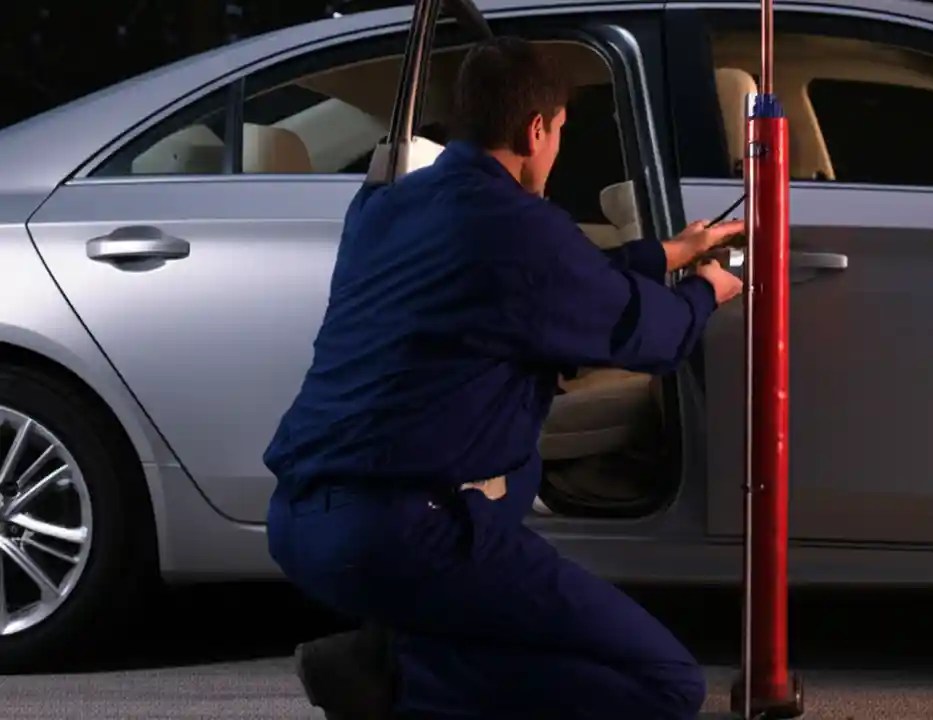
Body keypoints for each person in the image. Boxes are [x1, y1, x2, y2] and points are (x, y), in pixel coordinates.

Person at [262, 35, 745, 720]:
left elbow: (553, 277)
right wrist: (707, 290)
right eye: (559, 135)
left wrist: (668, 252)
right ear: (536, 128)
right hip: (408, 535)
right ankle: (395, 679)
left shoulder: (386, 207)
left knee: (515, 582)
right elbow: (654, 337)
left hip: (301, 522)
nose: (556, 151)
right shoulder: (520, 227)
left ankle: (408, 657)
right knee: (666, 685)